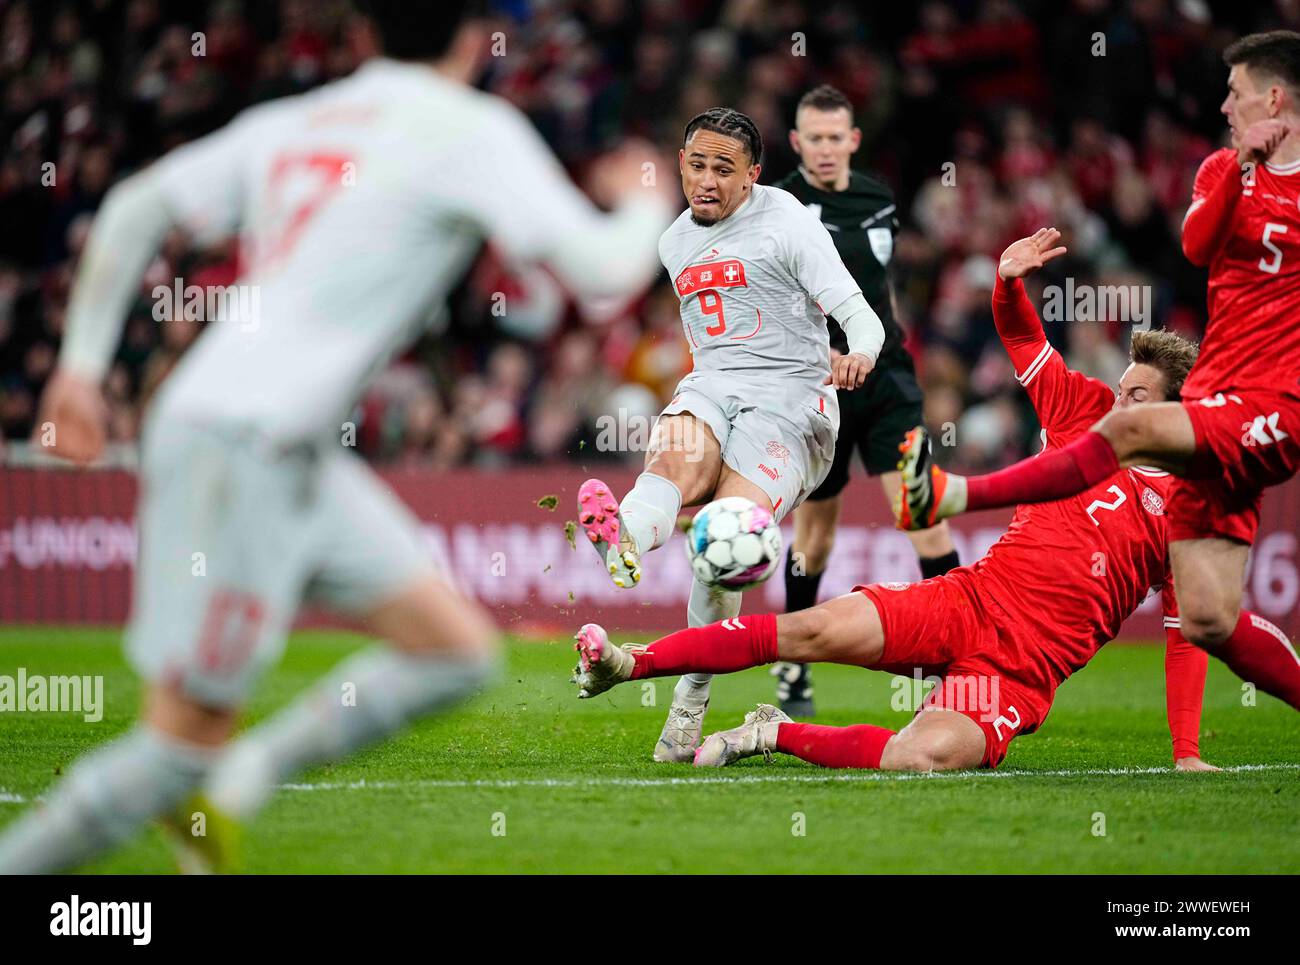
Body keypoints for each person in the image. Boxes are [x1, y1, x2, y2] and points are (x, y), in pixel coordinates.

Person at [0, 1, 674, 873]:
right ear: (474, 40)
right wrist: (648, 196)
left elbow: (134, 205)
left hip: (288, 445)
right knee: (175, 745)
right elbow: (606, 270)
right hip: (241, 439)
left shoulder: (297, 118)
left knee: (457, 653)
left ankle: (235, 786)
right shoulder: (469, 128)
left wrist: (80, 369)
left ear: (360, 35)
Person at [571, 230, 1212, 774]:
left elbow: (1185, 635)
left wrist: (1186, 752)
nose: (1117, 401)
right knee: (808, 631)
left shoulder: (1193, 509)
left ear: (1175, 410)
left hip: (1022, 671)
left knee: (921, 758)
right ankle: (628, 665)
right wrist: (1008, 282)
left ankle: (770, 732)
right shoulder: (1084, 412)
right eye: (1120, 389)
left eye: (1136, 396)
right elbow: (1022, 339)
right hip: (970, 600)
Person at [896, 32, 1300, 714]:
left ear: (1274, 96)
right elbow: (1197, 243)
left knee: (1128, 432)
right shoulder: (1221, 170)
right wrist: (1242, 163)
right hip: (1217, 402)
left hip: (1272, 400)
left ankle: (959, 492)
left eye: (1234, 92)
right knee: (1207, 617)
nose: (1224, 105)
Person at [576, 107, 887, 761]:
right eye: (696, 165)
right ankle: (625, 540)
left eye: (724, 168)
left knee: (723, 540)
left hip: (792, 404)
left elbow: (861, 315)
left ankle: (687, 710)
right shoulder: (672, 242)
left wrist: (858, 353)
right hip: (714, 384)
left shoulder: (790, 225)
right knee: (671, 465)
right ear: (680, 165)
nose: (707, 181)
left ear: (753, 175)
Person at [767, 84, 960, 716]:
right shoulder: (781, 206)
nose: (825, 149)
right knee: (815, 538)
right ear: (797, 143)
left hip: (888, 382)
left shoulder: (879, 199)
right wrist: (822, 357)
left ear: (853, 140)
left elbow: (882, 290)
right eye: (813, 138)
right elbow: (775, 304)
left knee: (922, 515)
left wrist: (889, 350)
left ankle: (947, 669)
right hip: (817, 385)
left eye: (835, 137)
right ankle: (793, 666)